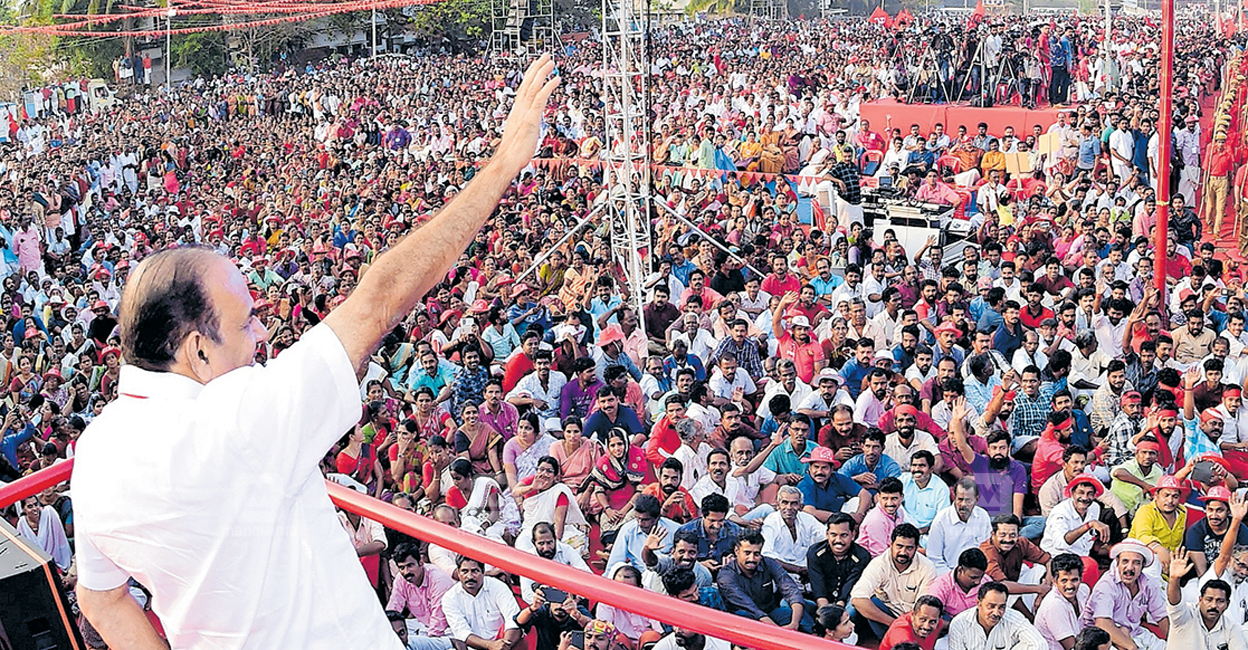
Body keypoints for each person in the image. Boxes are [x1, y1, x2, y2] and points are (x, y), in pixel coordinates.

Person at [68, 54, 559, 649]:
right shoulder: (243, 419)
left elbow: (100, 599)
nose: (262, 338)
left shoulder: (93, 453)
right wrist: (506, 160)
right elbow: (379, 300)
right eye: (246, 323)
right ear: (197, 351)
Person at [849, 523, 937, 636]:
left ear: (916, 548)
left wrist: (907, 626)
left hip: (914, 621)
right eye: (899, 546)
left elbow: (923, 607)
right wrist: (894, 624)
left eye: (909, 548)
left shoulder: (927, 567)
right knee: (870, 604)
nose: (903, 552)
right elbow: (857, 598)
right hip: (887, 618)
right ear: (891, 544)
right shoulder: (879, 563)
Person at [716, 531, 813, 631]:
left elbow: (791, 590)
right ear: (737, 551)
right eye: (747, 553)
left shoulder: (769, 563)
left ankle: (815, 638)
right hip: (744, 617)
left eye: (756, 554)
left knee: (790, 614)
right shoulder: (726, 576)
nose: (752, 559)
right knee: (744, 616)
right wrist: (778, 631)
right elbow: (749, 606)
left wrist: (794, 624)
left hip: (770, 612)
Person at [1088, 540, 1170, 650]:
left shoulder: (1149, 584)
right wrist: (1131, 647)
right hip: (1103, 638)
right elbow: (1102, 623)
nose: (1130, 568)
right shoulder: (1106, 584)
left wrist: (1176, 641)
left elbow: (1161, 616)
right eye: (1125, 561)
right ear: (1117, 562)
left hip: (1135, 633)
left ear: (1142, 566)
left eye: (1136, 562)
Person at [1166, 549, 1246, 650]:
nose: (1213, 606)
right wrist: (1174, 579)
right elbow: (1174, 603)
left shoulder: (1231, 628)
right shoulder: (1185, 616)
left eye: (1220, 601)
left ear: (1227, 604)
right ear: (1200, 600)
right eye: (1209, 599)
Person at [442, 555, 525, 650]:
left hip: (505, 644)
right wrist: (490, 646)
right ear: (458, 572)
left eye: (475, 571)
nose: (469, 576)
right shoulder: (450, 597)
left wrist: (504, 646)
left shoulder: (498, 587)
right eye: (464, 571)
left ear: (483, 572)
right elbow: (462, 633)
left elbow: (513, 621)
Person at [387, 541, 455, 650]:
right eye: (402, 567)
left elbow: (438, 621)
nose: (406, 571)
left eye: (410, 565)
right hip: (423, 625)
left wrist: (427, 644)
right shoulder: (401, 578)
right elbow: (393, 608)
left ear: (421, 563)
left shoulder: (438, 579)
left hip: (448, 630)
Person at [946, 582, 1047, 650]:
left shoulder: (1014, 618)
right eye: (991, 606)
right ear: (978, 603)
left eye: (1002, 607)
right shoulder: (959, 623)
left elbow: (1040, 645)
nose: (996, 612)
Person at [808, 512, 872, 608]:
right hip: (821, 604)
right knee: (787, 604)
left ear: (853, 535)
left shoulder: (862, 556)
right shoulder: (815, 553)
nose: (838, 540)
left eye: (844, 535)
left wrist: (839, 608)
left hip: (847, 603)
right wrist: (826, 612)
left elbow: (850, 584)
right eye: (833, 535)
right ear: (827, 534)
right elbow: (818, 587)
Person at [927, 478, 992, 574]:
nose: (963, 505)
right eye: (960, 499)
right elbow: (934, 558)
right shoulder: (941, 520)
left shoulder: (983, 516)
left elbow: (988, 551)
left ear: (977, 500)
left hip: (978, 574)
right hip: (948, 575)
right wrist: (954, 577)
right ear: (954, 497)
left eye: (968, 501)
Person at [1034, 553, 1091, 650]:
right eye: (1064, 581)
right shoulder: (1054, 605)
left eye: (1074, 580)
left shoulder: (1083, 590)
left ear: (1081, 579)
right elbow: (1072, 647)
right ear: (1054, 581)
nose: (1069, 586)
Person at [923, 548, 989, 618]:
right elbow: (930, 614)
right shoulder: (941, 585)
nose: (978, 582)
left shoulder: (987, 583)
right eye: (973, 577)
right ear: (960, 570)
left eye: (981, 577)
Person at [879, 595, 946, 650]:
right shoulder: (901, 631)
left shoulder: (937, 621)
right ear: (913, 615)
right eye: (922, 619)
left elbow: (949, 625)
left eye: (932, 621)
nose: (926, 626)